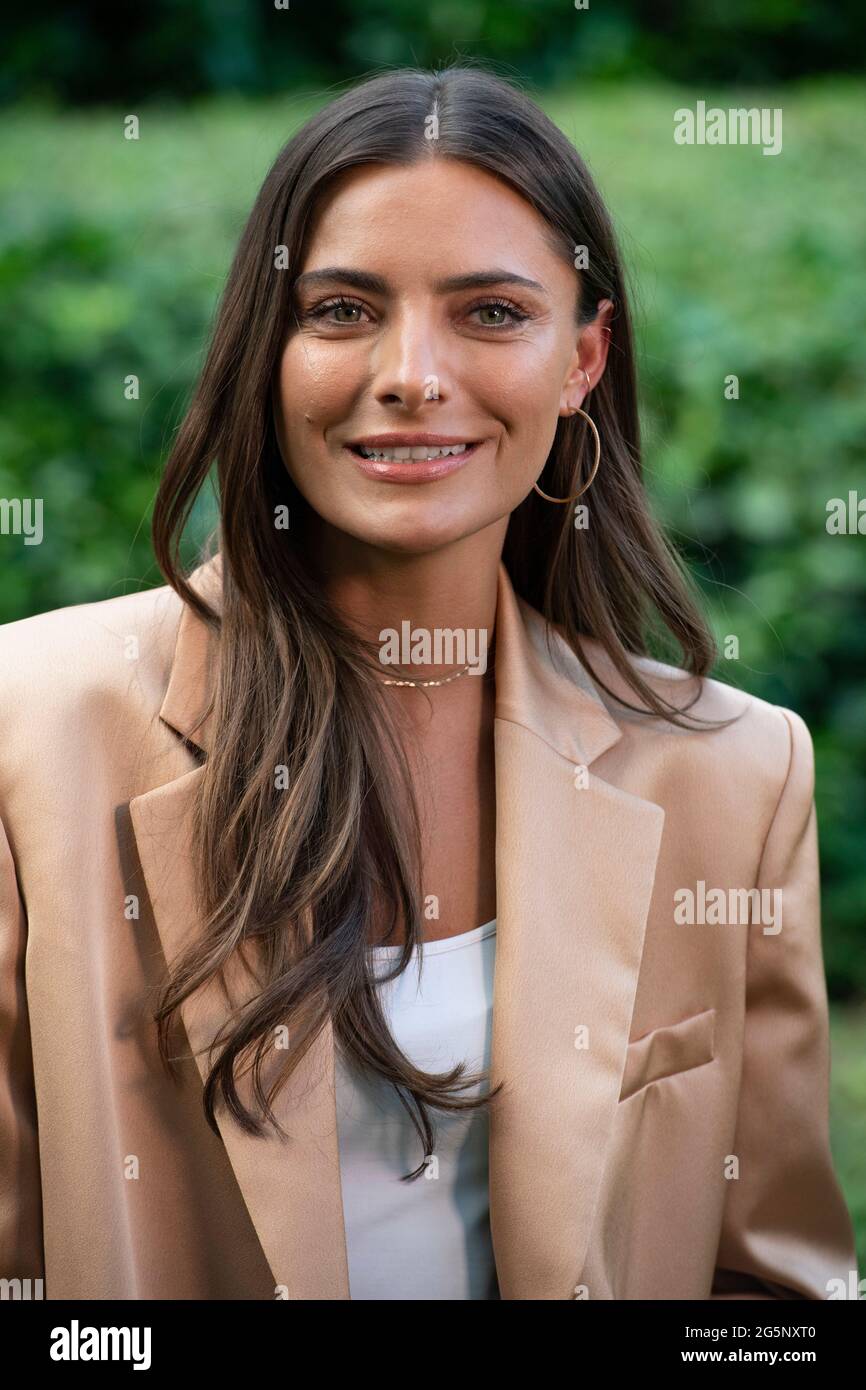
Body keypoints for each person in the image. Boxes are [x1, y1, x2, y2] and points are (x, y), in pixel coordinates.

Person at [0, 65, 857, 1301]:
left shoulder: (735, 772)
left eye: (492, 313)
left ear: (581, 359)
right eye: (343, 309)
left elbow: (768, 1288)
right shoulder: (33, 730)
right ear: (267, 350)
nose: (409, 373)